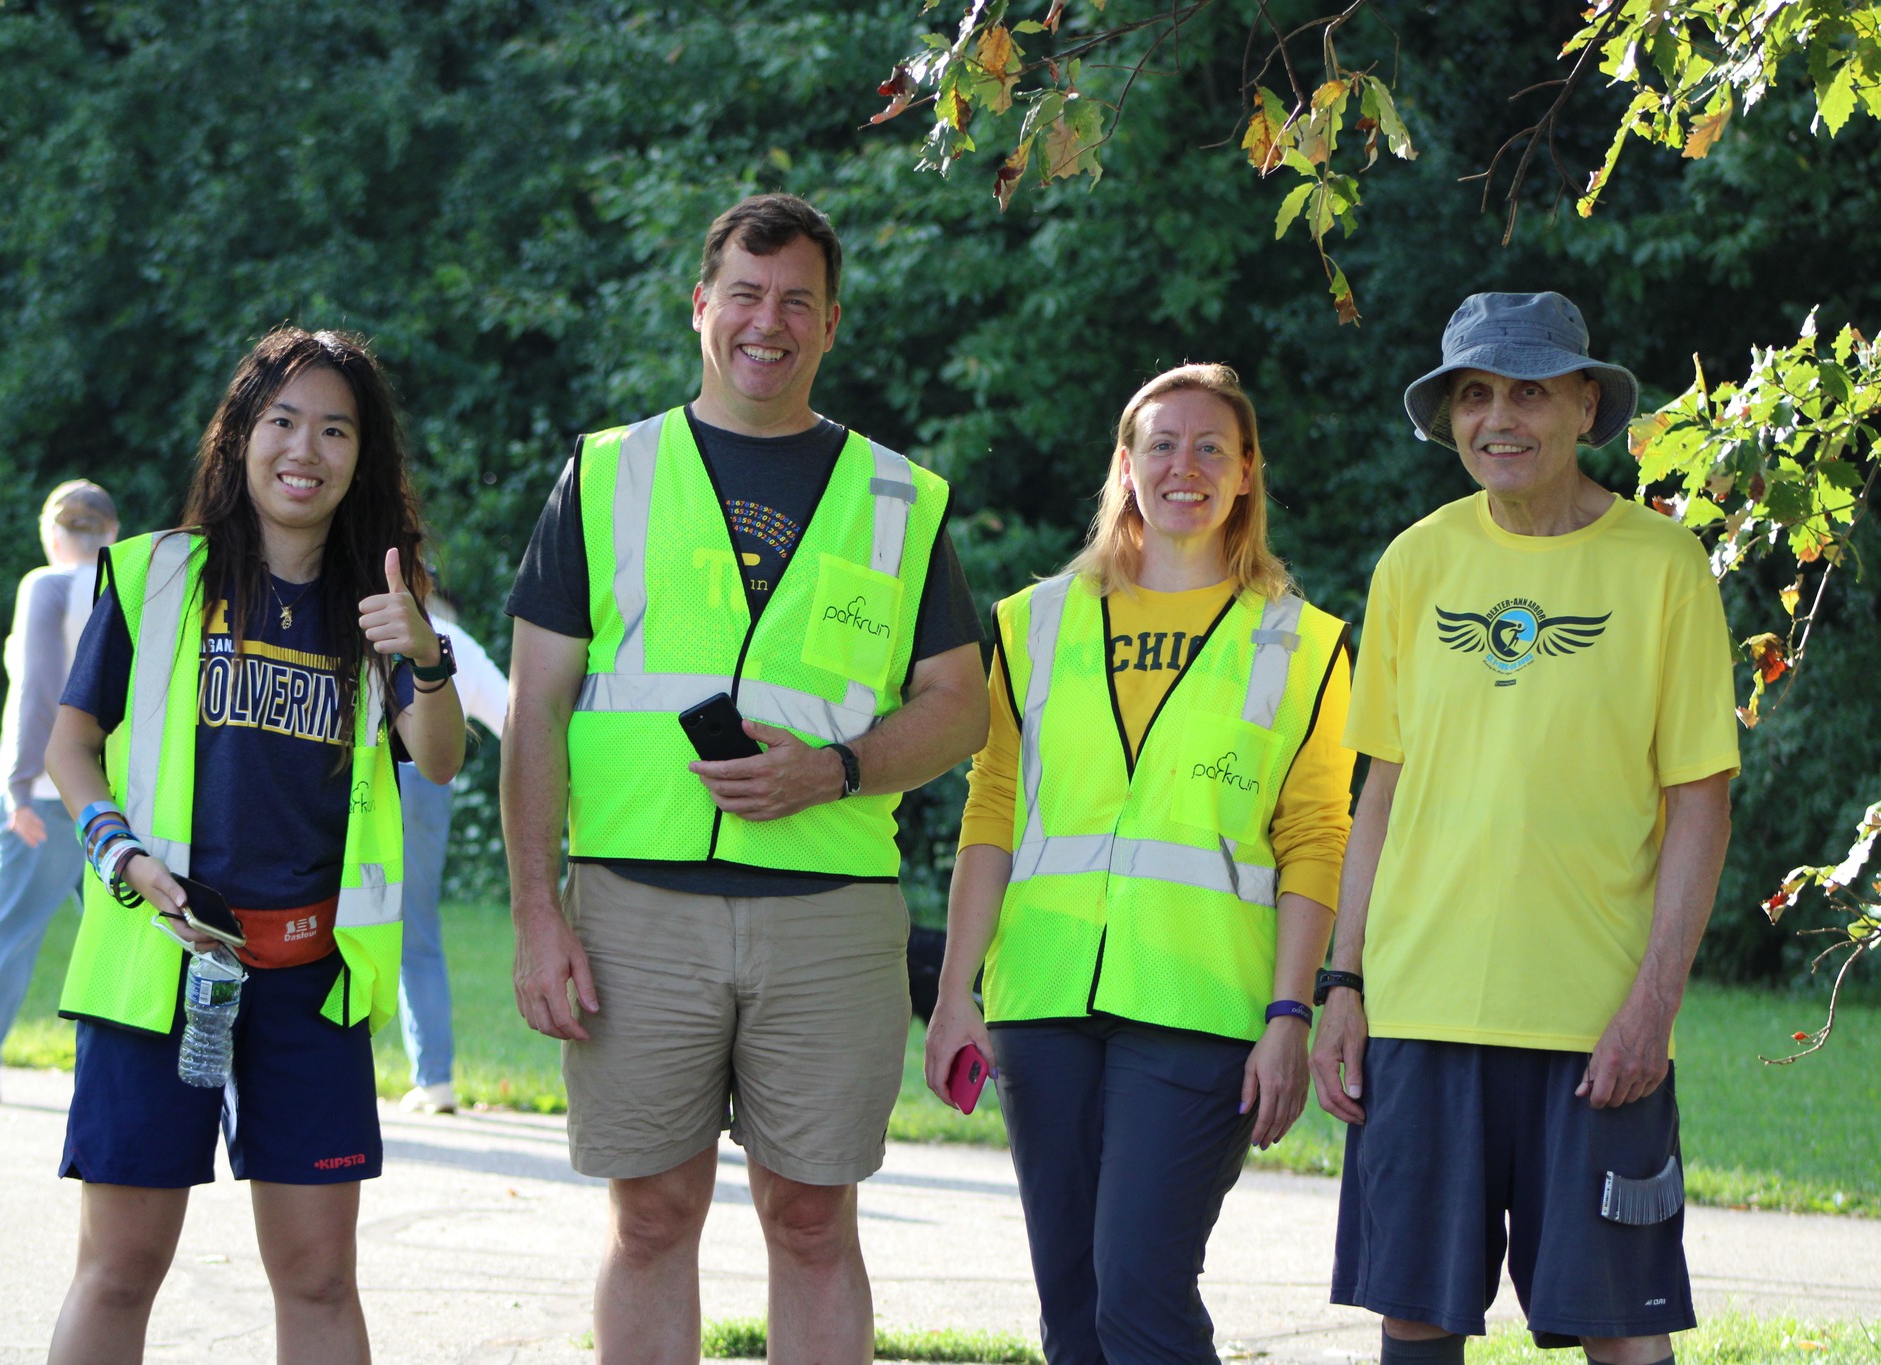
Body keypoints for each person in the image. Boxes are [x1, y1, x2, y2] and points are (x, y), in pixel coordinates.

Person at [502, 192, 988, 1364]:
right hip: (633, 909)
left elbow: (959, 708)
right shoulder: (607, 472)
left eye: (797, 303)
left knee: (811, 1221)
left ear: (830, 326)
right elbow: (536, 714)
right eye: (746, 295)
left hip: (828, 915)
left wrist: (837, 769)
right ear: (700, 307)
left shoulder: (896, 498)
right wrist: (534, 915)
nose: (766, 323)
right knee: (653, 1214)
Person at [1311, 292, 1738, 1365]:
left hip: (1593, 1027)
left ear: (1583, 405)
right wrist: (1343, 985)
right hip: (1419, 1013)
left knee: (1619, 1334)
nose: (1497, 418)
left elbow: (1699, 801)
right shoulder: (1414, 562)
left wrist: (1652, 1002)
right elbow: (1380, 793)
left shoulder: (1663, 568)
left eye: (1528, 392)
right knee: (1414, 1323)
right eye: (1473, 394)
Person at [41, 327, 465, 1365]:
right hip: (157, 966)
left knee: (319, 1280)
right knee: (119, 1271)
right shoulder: (154, 576)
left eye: (334, 429)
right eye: (281, 421)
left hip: (308, 980)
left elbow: (441, 757)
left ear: (362, 456)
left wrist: (426, 653)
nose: (303, 449)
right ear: (239, 436)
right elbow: (71, 748)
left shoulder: (381, 603)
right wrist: (120, 855)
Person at [925, 363, 1355, 1364]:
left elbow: (1312, 842)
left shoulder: (1305, 645)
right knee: (1071, 1313)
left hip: (1201, 1009)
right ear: (1124, 466)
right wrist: (956, 990)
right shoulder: (1028, 623)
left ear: (1247, 472)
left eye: (1212, 447)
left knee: (1141, 1298)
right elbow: (991, 812)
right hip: (1041, 1003)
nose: (1184, 466)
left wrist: (1288, 1015)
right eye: (1159, 444)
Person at [0, 480, 119, 1103]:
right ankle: (127, 1071)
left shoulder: (47, 585)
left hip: (40, 792)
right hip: (110, 796)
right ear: (110, 533)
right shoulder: (127, 588)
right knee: (118, 943)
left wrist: (14, 785)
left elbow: (39, 691)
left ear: (51, 532)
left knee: (6, 934)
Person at [398, 594, 510, 1115]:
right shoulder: (452, 637)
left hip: (369, 773)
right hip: (427, 783)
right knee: (416, 931)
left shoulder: (362, 619)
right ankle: (434, 1077)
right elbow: (511, 713)